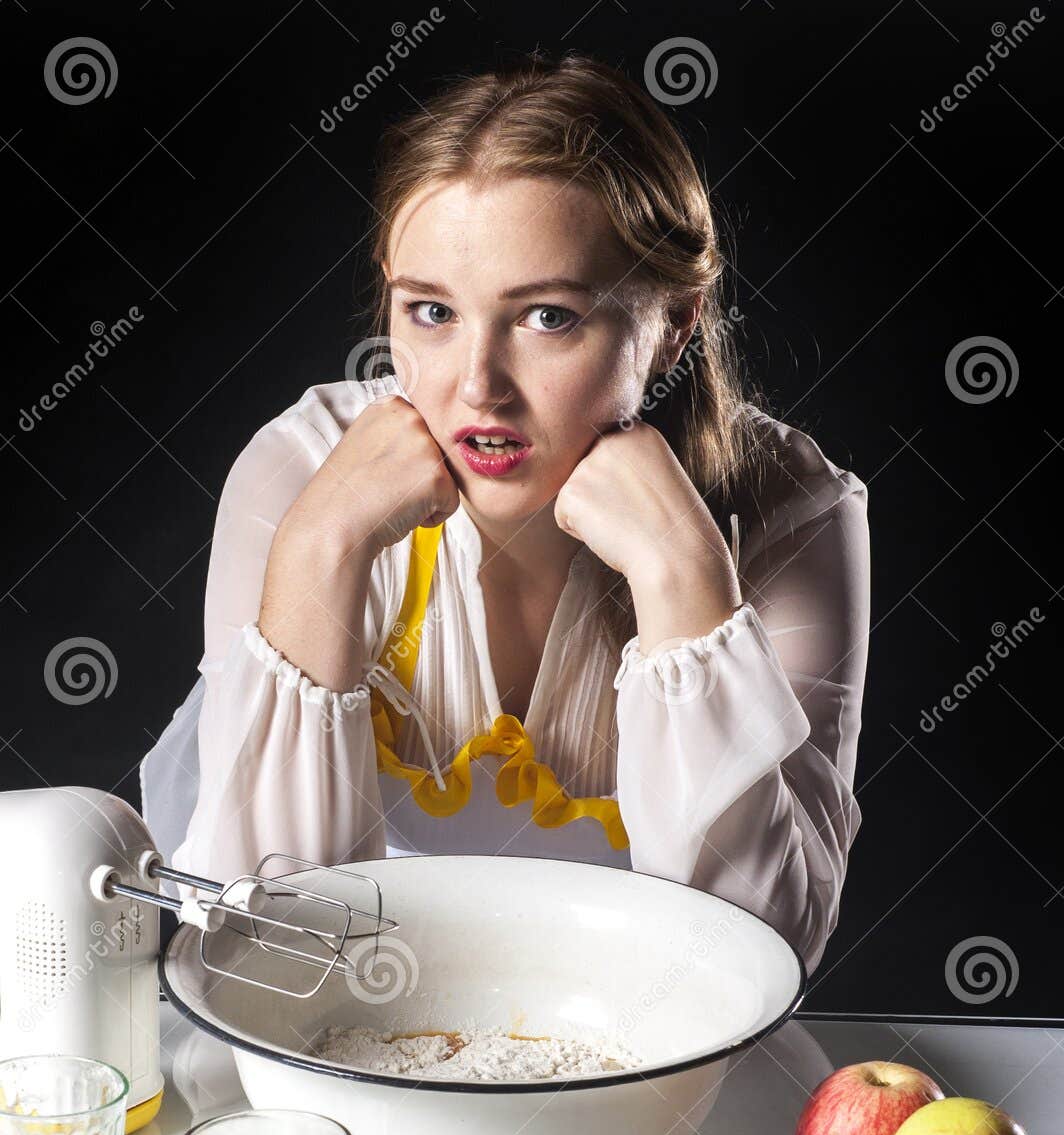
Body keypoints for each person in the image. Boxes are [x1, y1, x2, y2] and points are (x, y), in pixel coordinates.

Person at [140, 54, 870, 976]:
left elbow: (764, 957)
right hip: (362, 1022)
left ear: (673, 325)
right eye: (432, 311)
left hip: (642, 1035)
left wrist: (684, 579)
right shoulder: (300, 474)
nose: (477, 386)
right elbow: (257, 947)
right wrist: (322, 550)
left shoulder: (790, 508)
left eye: (548, 317)